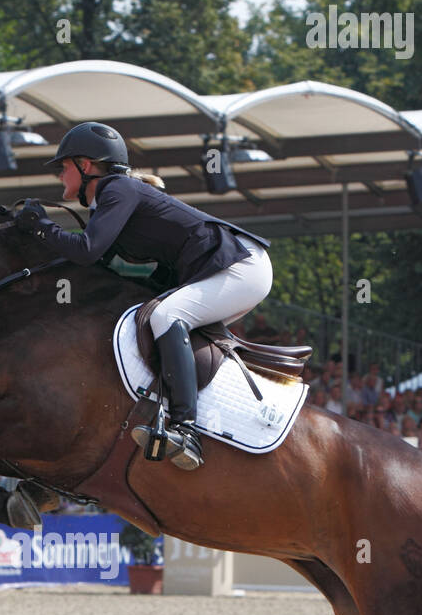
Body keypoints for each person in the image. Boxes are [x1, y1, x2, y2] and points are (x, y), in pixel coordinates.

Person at [17, 122, 274, 471]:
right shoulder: (112, 201)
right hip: (227, 268)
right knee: (151, 317)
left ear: (85, 165)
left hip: (240, 267)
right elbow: (87, 265)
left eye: (64, 167)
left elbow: (86, 250)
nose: (61, 176)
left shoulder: (116, 189)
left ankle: (186, 429)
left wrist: (39, 226)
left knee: (166, 317)